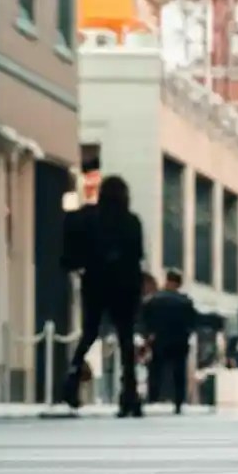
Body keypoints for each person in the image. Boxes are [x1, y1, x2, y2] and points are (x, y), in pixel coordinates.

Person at [60, 175, 146, 417]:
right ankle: (129, 393)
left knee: (89, 333)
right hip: (124, 285)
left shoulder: (86, 218)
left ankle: (73, 376)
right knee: (126, 339)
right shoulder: (131, 221)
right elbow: (137, 254)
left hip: (95, 282)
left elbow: (72, 251)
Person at [142, 269, 199, 414]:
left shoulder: (153, 300)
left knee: (155, 370)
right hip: (179, 341)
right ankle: (179, 402)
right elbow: (192, 323)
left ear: (167, 280)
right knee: (179, 372)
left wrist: (148, 336)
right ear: (179, 284)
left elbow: (144, 320)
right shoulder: (186, 301)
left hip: (159, 340)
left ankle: (152, 398)